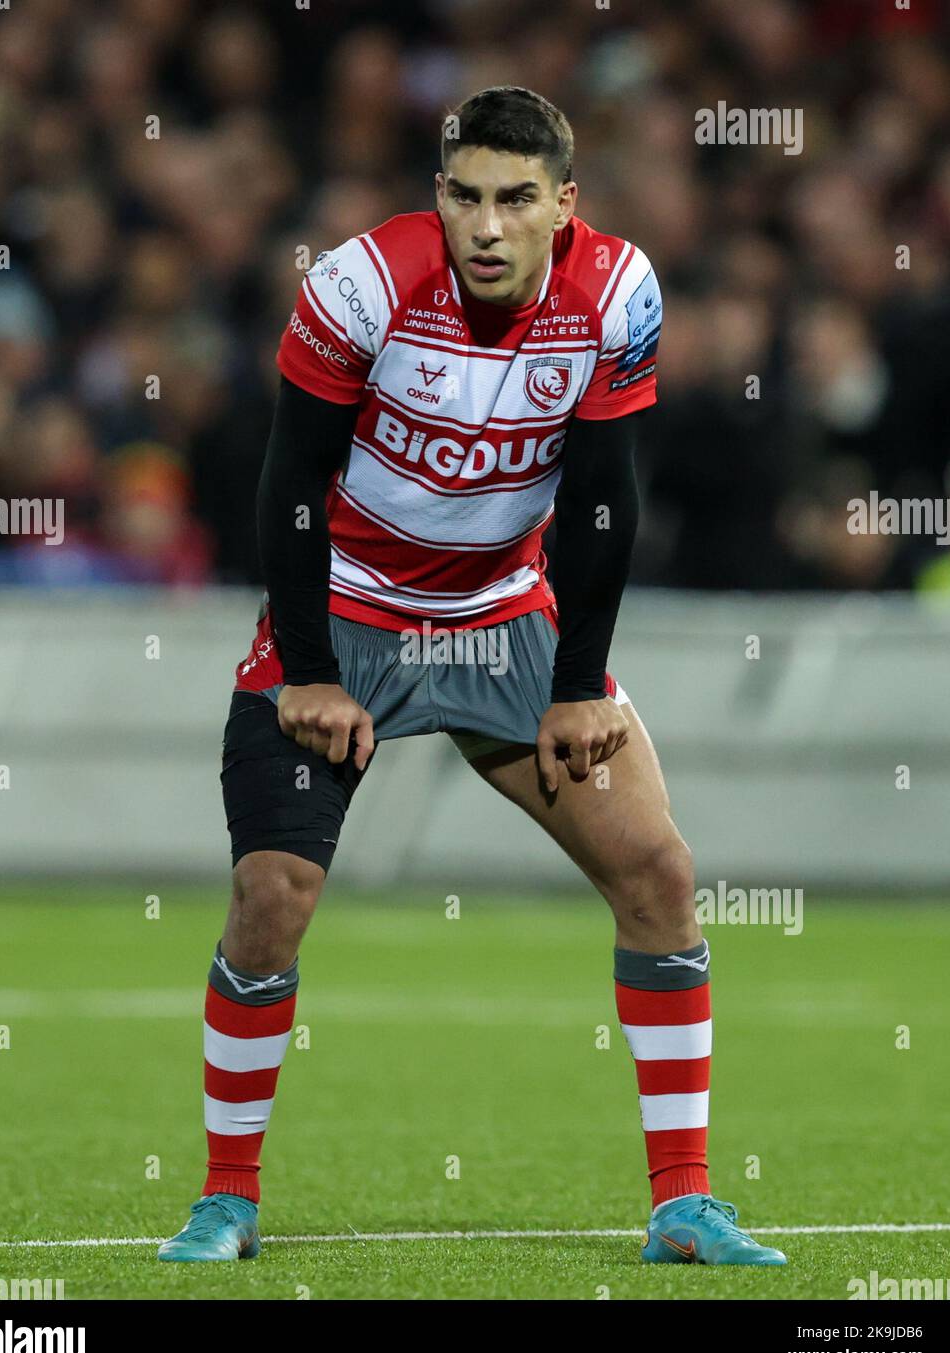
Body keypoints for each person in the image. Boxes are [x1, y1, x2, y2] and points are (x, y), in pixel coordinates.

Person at [158, 86, 786, 1268]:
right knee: (271, 898)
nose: (486, 227)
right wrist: (305, 668)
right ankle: (225, 1199)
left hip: (505, 618)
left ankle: (685, 1203)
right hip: (345, 612)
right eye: (463, 197)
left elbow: (604, 495)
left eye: (515, 200)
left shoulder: (616, 292)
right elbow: (289, 477)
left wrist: (581, 681)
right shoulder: (359, 285)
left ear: (563, 205)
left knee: (657, 870)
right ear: (436, 194)